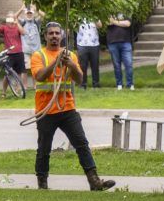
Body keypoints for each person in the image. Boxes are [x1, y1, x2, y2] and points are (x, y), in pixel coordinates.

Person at [30, 21, 115, 191]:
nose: (54, 36)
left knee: (82, 143)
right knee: (44, 148)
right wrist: (55, 63)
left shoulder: (71, 55)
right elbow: (39, 76)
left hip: (67, 108)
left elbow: (79, 79)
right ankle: (42, 183)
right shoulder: (38, 55)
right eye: (51, 33)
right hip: (46, 110)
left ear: (61, 36)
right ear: (45, 36)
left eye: (57, 33)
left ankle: (94, 181)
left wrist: (72, 65)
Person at [0, 13, 26, 98]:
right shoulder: (4, 27)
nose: (10, 19)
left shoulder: (17, 27)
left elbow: (23, 32)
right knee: (7, 74)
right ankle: (4, 92)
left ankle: (18, 90)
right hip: (9, 54)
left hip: (19, 52)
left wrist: (17, 22)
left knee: (19, 73)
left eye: (12, 17)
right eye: (9, 17)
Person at [17, 5, 44, 90]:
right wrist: (21, 9)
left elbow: (44, 15)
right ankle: (25, 86)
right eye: (28, 13)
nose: (29, 15)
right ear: (25, 14)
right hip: (26, 49)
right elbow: (15, 17)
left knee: (35, 68)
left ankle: (35, 85)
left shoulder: (36, 22)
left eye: (30, 13)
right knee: (25, 69)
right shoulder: (22, 22)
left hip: (36, 50)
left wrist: (36, 9)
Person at [106, 13, 134, 90]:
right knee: (116, 65)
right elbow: (107, 22)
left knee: (128, 64)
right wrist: (120, 23)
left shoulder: (126, 10)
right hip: (112, 42)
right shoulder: (108, 10)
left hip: (126, 42)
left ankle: (130, 84)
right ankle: (119, 84)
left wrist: (114, 22)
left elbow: (127, 24)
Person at [75, 17, 102, 89]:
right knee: (82, 66)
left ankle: (96, 84)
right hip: (82, 44)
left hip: (94, 44)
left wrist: (95, 19)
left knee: (95, 65)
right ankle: (83, 84)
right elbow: (73, 26)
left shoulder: (94, 16)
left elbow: (100, 25)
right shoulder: (78, 16)